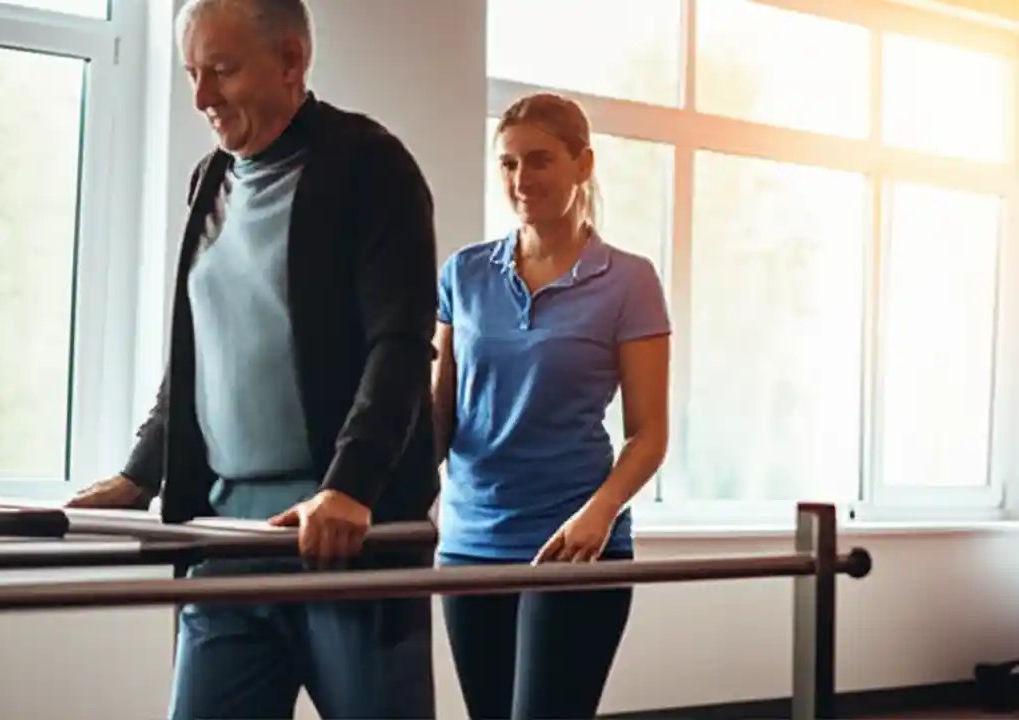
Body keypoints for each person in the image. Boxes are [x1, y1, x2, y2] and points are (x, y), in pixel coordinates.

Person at [65, 1, 439, 717]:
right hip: (226, 540)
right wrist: (142, 471)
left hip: (341, 539)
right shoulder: (210, 178)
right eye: (191, 74)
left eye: (223, 71)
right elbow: (199, 349)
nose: (202, 97)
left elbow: (399, 343)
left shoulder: (370, 164)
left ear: (292, 62)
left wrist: (352, 486)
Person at [431, 92, 672, 719]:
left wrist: (600, 513)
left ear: (582, 164)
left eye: (539, 161)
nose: (521, 180)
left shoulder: (629, 280)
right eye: (508, 164)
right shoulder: (464, 274)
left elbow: (648, 433)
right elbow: (436, 418)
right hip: (470, 544)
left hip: (574, 544)